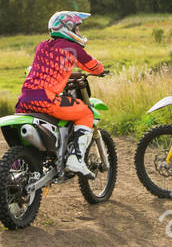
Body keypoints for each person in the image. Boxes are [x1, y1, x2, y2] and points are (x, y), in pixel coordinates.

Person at [16, 11, 106, 176]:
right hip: (46, 99)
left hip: (24, 100)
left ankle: (18, 169)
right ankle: (76, 159)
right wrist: (101, 70)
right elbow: (93, 66)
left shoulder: (42, 46)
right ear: (68, 28)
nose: (79, 33)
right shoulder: (72, 48)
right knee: (86, 112)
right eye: (77, 28)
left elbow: (50, 69)